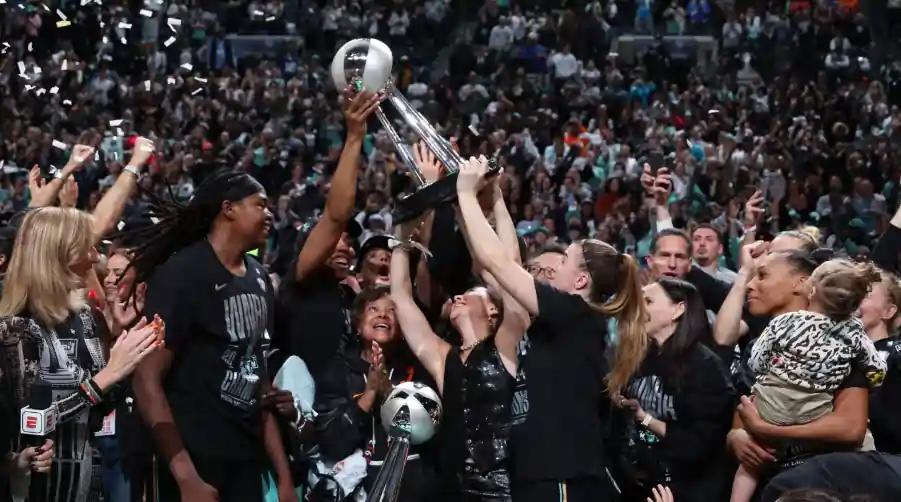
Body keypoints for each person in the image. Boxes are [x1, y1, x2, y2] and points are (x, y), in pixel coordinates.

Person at [455, 156, 646, 502]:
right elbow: (507, 265)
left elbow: (497, 262)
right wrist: (496, 197)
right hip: (544, 477)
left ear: (581, 279)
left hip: (562, 480)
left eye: (562, 263)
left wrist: (466, 195)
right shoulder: (566, 319)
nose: (550, 270)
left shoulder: (575, 313)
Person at [129, 169, 297, 502]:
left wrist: (283, 478)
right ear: (228, 208)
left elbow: (258, 379)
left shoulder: (261, 279)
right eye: (260, 204)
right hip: (193, 461)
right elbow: (146, 380)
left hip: (246, 461)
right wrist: (186, 477)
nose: (269, 214)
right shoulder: (182, 273)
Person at [0, 207, 164, 502]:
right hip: (31, 489)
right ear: (57, 253)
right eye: (86, 247)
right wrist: (108, 375)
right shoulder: (16, 327)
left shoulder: (86, 319)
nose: (94, 257)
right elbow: (34, 421)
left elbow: (100, 412)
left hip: (86, 483)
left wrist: (131, 353)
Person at [389, 175, 529, 500]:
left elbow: (512, 268)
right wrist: (400, 237)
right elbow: (400, 295)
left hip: (506, 489)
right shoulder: (442, 358)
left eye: (473, 291)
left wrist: (495, 199)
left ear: (493, 311)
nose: (461, 296)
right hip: (455, 489)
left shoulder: (504, 347)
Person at [731, 259, 887, 502]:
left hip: (815, 467)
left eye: (763, 275)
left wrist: (767, 428)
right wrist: (736, 437)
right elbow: (878, 369)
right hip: (809, 414)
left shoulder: (781, 325)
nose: (752, 284)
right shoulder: (854, 335)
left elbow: (850, 430)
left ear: (806, 285)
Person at [273, 89, 382, 382]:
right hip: (305, 413)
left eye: (350, 242)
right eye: (339, 241)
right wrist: (355, 137)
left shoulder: (348, 296)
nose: (347, 248)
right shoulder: (301, 282)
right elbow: (336, 215)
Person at [609, 277, 735, 502]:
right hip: (640, 486)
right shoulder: (639, 359)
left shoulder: (705, 366)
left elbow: (702, 444)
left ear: (678, 310)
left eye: (648, 301)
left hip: (689, 491)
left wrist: (645, 418)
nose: (639, 308)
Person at [313, 287, 440, 502]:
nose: (383, 314)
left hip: (413, 488)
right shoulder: (338, 371)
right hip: (356, 491)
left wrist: (389, 392)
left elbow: (431, 431)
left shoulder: (418, 370)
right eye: (373, 309)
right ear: (357, 326)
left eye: (391, 311)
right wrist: (369, 393)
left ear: (401, 329)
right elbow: (332, 443)